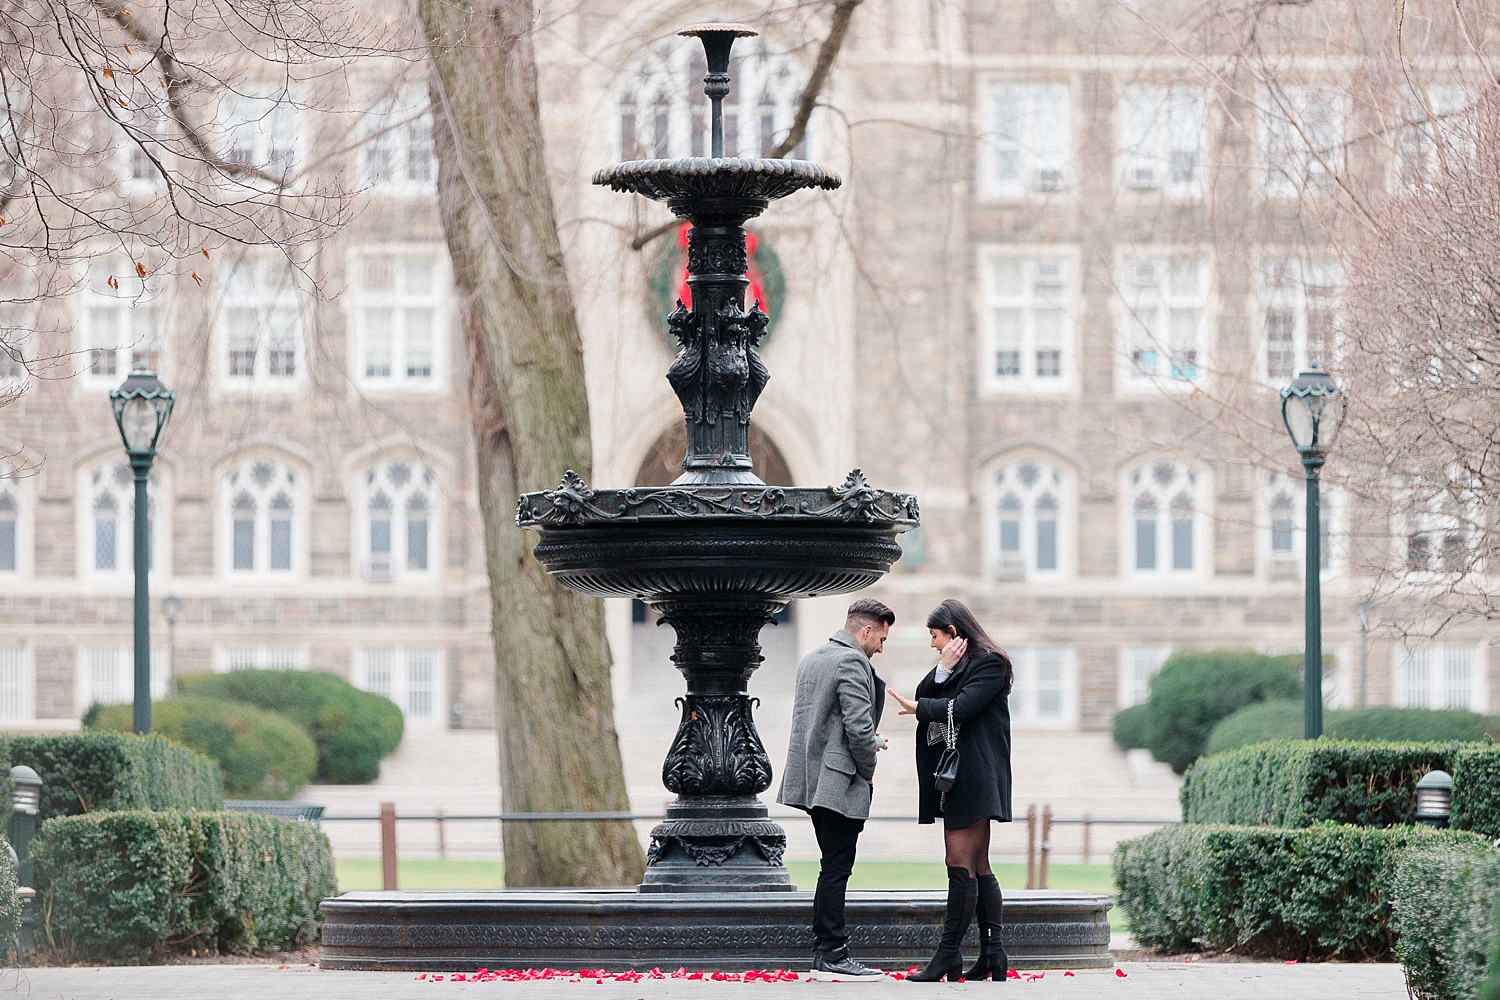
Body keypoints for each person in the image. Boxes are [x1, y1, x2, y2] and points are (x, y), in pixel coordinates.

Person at [888, 599, 1013, 983]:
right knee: (977, 866)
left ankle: (947, 956)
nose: (932, 644)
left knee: (959, 864)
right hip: (965, 778)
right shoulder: (958, 666)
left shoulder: (990, 663)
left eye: (935, 636)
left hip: (976, 777)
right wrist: (944, 668)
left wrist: (924, 705)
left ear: (954, 634)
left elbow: (964, 707)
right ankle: (992, 954)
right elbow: (928, 691)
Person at [778, 598, 895, 982]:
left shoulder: (813, 658)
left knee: (830, 865)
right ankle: (832, 952)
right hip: (839, 780)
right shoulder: (852, 661)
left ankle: (826, 950)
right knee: (837, 868)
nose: (881, 647)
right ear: (866, 630)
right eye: (880, 637)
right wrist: (869, 770)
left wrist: (866, 743)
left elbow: (822, 723)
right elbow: (858, 730)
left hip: (813, 779)